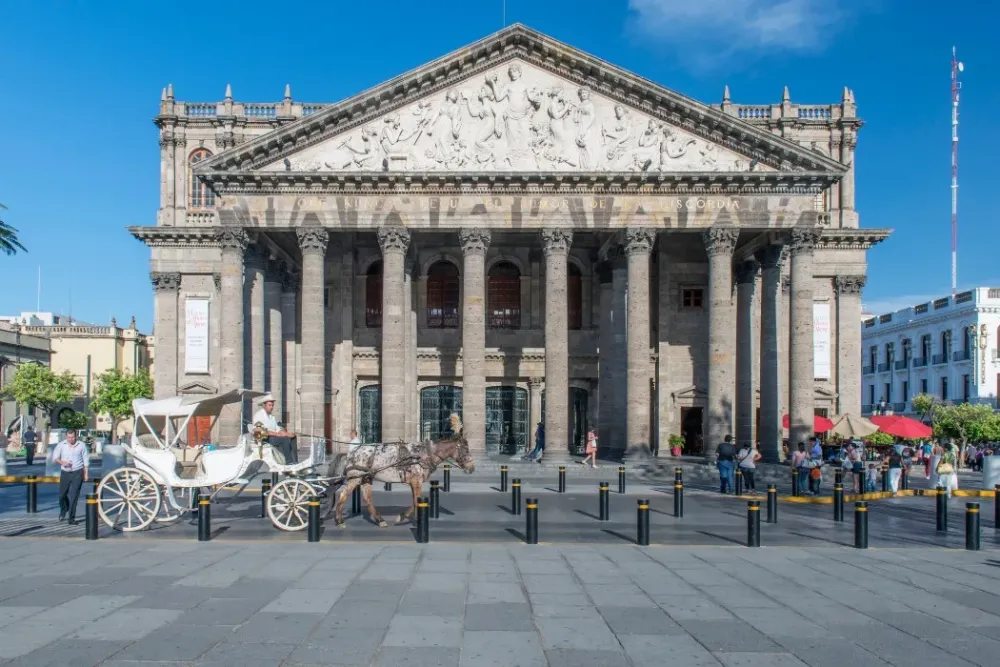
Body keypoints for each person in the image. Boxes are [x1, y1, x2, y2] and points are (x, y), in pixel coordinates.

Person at [52, 429, 88, 524]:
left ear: (76, 436)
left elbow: (85, 460)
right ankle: (64, 508)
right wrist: (62, 462)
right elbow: (55, 457)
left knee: (74, 496)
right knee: (62, 495)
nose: (70, 439)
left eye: (72, 437)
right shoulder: (61, 445)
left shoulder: (81, 445)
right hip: (65, 472)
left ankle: (71, 518)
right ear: (66, 436)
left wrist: (86, 473)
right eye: (68, 437)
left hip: (77, 472)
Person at [249, 394, 297, 463]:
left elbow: (277, 428)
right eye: (269, 405)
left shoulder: (271, 417)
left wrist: (284, 433)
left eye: (272, 405)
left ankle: (295, 461)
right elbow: (260, 431)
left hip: (273, 437)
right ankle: (289, 462)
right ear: (264, 405)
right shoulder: (259, 415)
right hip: (264, 439)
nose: (271, 407)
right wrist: (277, 434)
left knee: (292, 437)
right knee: (284, 440)